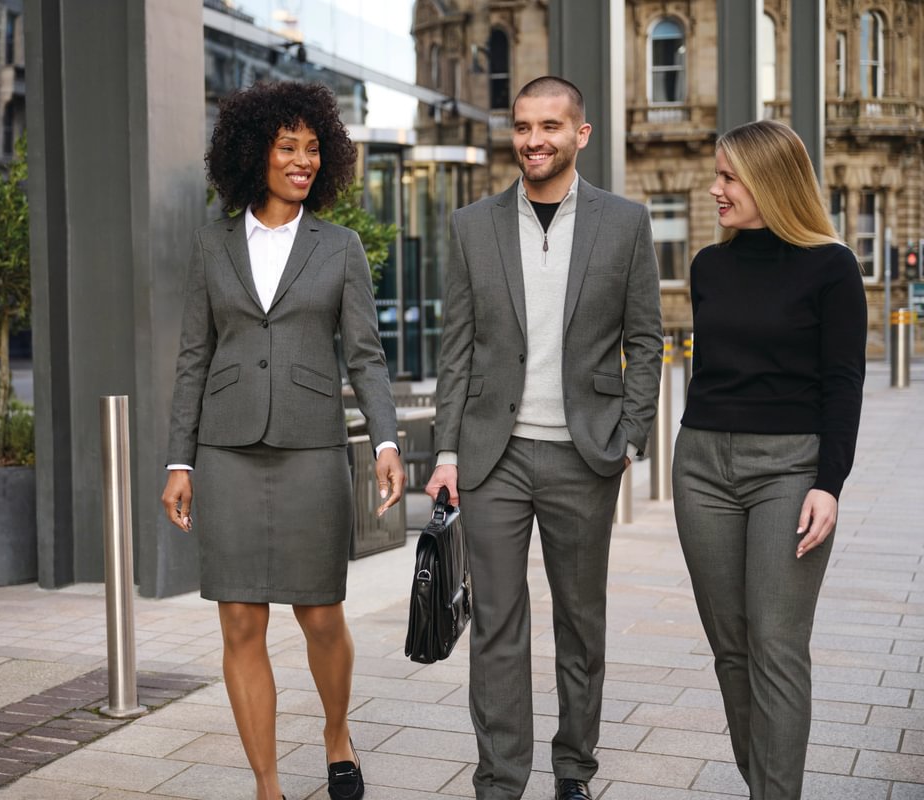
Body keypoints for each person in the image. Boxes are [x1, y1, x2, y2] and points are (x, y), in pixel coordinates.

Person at [161, 80, 404, 800]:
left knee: (322, 614)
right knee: (240, 621)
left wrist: (387, 441)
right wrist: (180, 458)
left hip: (310, 450)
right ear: (253, 152)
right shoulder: (213, 245)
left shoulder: (342, 247)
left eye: (312, 148)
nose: (302, 159)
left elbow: (366, 355)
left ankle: (336, 734)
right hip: (227, 451)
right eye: (286, 146)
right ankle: (267, 785)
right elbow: (193, 357)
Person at [424, 76, 663, 800]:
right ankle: (499, 780)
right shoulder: (472, 226)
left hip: (584, 456)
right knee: (497, 625)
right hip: (492, 459)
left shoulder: (624, 223)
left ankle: (574, 771)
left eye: (550, 126)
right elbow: (456, 349)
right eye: (523, 126)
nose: (534, 139)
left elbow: (646, 339)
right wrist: (444, 452)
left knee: (581, 626)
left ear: (580, 134)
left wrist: (630, 438)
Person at [672, 119, 866, 800]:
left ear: (769, 181)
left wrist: (829, 483)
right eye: (717, 174)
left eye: (728, 176)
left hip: (790, 469)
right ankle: (767, 787)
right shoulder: (708, 266)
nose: (716, 188)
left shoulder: (832, 266)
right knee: (732, 650)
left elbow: (843, 381)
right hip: (700, 467)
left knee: (777, 648)